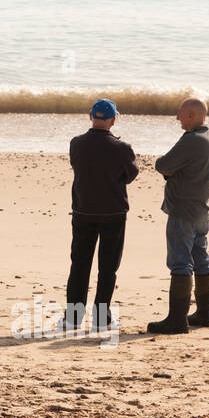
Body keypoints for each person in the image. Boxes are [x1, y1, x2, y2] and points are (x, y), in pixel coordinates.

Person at [56, 98, 138, 334]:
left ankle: (73, 317)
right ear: (113, 120)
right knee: (107, 268)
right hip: (113, 213)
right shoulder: (122, 148)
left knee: (79, 265)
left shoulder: (77, 144)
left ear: (91, 116)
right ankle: (102, 318)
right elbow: (130, 175)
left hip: (84, 211)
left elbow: (78, 167)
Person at [146, 97, 209, 334]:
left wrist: (170, 172)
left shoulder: (191, 140)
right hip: (201, 208)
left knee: (180, 261)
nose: (177, 118)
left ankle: (177, 319)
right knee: (201, 259)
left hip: (183, 210)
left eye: (180, 113)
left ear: (191, 115)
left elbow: (163, 164)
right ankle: (204, 313)